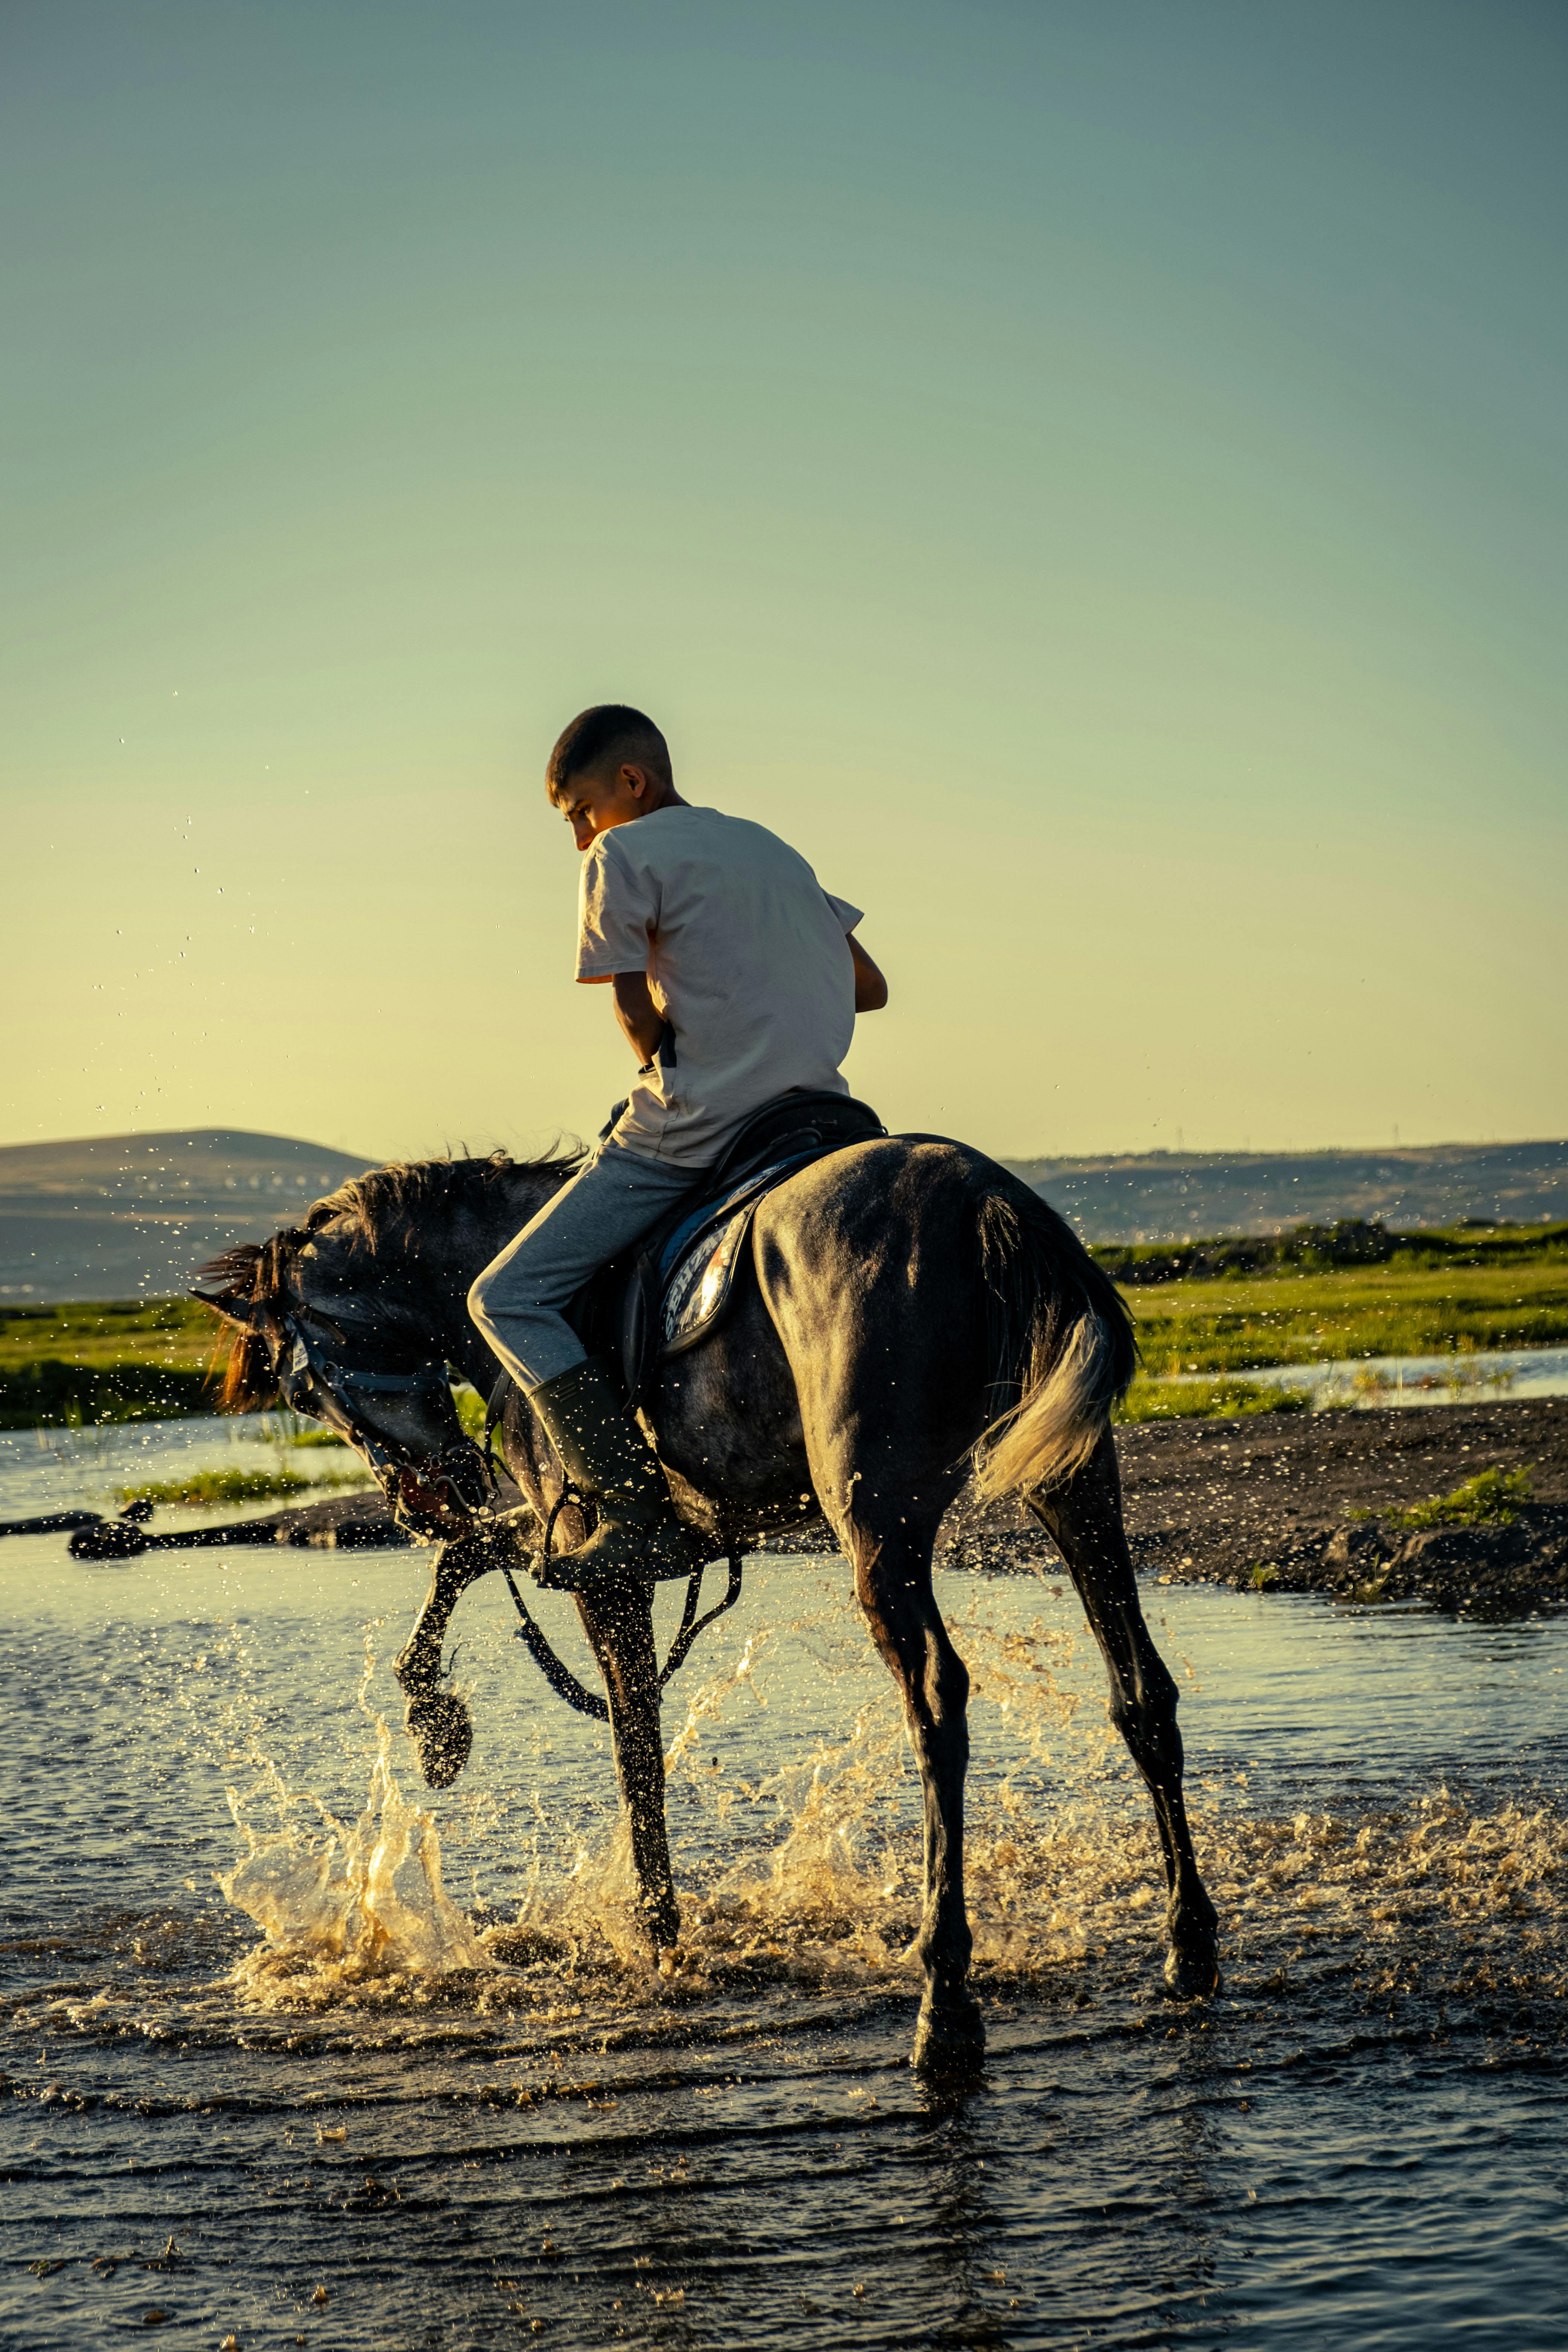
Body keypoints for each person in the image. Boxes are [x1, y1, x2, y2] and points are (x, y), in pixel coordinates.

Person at [468, 703, 888, 1585]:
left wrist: (677, 1052)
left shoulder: (621, 856)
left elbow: (628, 1009)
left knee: (506, 1297)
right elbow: (871, 986)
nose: (578, 835)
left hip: (699, 1126)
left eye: (579, 810)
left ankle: (632, 1508)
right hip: (820, 1111)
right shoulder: (772, 847)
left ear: (631, 783)